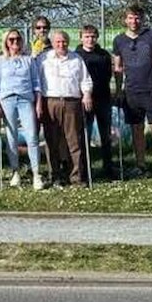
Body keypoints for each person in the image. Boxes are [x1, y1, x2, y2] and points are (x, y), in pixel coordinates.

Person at [112, 4, 152, 185]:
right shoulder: (119, 40)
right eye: (130, 17)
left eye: (137, 17)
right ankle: (141, 165)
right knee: (136, 130)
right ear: (125, 19)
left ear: (142, 19)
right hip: (131, 92)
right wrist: (119, 89)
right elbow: (118, 67)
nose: (134, 21)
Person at [38, 30, 94, 188]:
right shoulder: (43, 59)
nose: (61, 45)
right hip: (50, 102)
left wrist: (87, 95)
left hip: (72, 102)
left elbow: (86, 80)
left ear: (68, 43)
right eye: (57, 42)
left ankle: (76, 177)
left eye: (64, 42)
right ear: (53, 43)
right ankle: (54, 175)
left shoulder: (76, 59)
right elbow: (38, 81)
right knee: (51, 141)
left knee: (74, 141)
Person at [0, 29, 43, 190]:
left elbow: (36, 83)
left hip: (25, 99)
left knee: (32, 136)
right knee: (11, 137)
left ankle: (36, 173)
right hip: (7, 100)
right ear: (6, 42)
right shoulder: (0, 61)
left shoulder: (29, 60)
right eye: (11, 40)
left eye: (18, 39)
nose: (15, 42)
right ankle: (15, 172)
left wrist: (38, 103)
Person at [76, 25, 116, 180]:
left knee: (105, 135)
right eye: (86, 36)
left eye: (92, 36)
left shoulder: (104, 55)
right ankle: (85, 168)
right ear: (81, 38)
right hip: (84, 100)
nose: (90, 39)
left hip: (103, 99)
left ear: (97, 37)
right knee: (84, 135)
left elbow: (108, 75)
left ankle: (108, 167)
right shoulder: (77, 55)